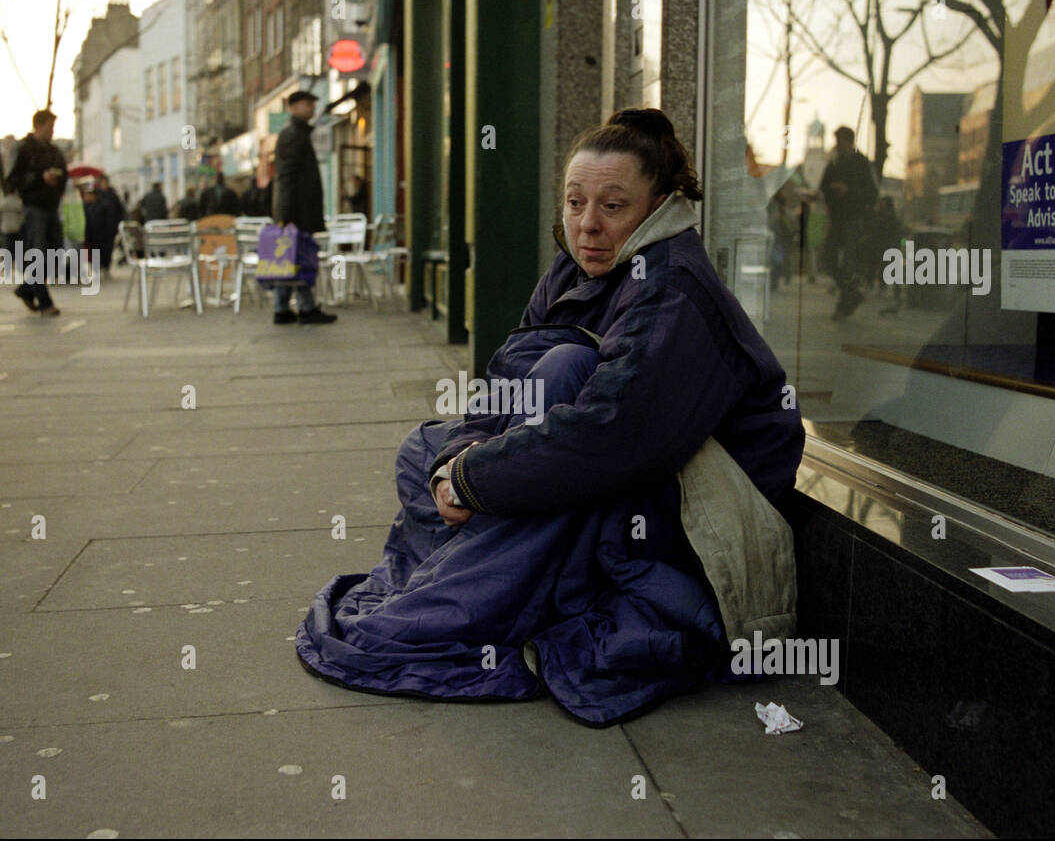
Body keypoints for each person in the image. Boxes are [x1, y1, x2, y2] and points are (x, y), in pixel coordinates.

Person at [295, 108, 806, 726]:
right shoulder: (577, 264)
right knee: (422, 449)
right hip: (608, 468)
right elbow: (508, 377)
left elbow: (610, 436)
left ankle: (459, 591)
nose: (588, 224)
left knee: (562, 375)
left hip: (700, 519)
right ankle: (489, 563)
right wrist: (457, 459)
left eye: (613, 206)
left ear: (660, 205)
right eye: (574, 202)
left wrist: (475, 480)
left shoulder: (673, 286)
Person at [272, 90, 335, 324]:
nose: (311, 108)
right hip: (297, 212)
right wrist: (286, 215)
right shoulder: (293, 135)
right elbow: (286, 177)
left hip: (296, 210)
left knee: (290, 259)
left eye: (312, 104)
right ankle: (305, 308)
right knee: (300, 258)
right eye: (307, 104)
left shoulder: (298, 134)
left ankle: (282, 308)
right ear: (294, 107)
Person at [5, 108, 66, 316]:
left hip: (51, 206)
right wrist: (40, 178)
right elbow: (13, 179)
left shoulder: (54, 151)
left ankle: (26, 289)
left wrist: (57, 181)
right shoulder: (24, 149)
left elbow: (64, 174)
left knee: (56, 252)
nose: (52, 132)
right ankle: (44, 302)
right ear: (39, 126)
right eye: (50, 127)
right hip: (34, 207)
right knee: (38, 254)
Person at [819, 125, 878, 321]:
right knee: (829, 258)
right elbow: (824, 186)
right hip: (837, 218)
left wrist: (848, 190)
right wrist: (829, 191)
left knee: (848, 264)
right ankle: (852, 294)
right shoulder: (834, 163)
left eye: (840, 142)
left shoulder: (861, 162)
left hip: (853, 219)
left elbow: (871, 192)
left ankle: (844, 305)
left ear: (849, 142)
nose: (837, 146)